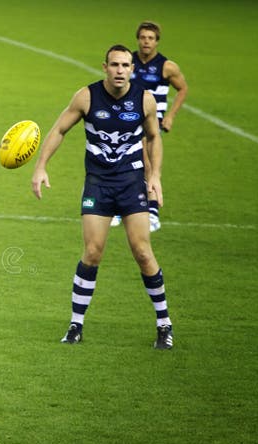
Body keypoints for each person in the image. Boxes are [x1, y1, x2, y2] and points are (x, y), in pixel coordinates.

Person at [31, 45, 174, 350]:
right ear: (105, 67)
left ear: (132, 69)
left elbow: (153, 137)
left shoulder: (144, 99)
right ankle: (75, 325)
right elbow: (58, 130)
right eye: (114, 65)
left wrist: (156, 177)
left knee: (142, 251)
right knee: (93, 251)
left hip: (131, 184)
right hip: (97, 185)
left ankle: (164, 324)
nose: (120, 70)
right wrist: (41, 167)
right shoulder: (87, 97)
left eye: (125, 65)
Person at [111, 21, 188, 232]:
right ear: (138, 39)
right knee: (130, 163)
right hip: (127, 121)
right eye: (143, 37)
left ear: (157, 41)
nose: (146, 42)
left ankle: (148, 212)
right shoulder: (127, 62)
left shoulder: (166, 66)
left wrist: (171, 116)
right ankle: (141, 210)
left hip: (151, 121)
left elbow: (182, 89)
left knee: (145, 164)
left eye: (151, 38)